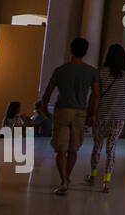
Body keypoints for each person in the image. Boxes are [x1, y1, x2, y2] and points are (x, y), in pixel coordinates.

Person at [40, 37, 99, 195]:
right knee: (73, 149)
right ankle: (68, 177)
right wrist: (92, 114)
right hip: (80, 112)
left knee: (61, 149)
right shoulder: (91, 72)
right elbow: (96, 94)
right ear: (85, 52)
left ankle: (63, 181)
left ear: (71, 49)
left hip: (62, 111)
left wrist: (45, 109)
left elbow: (47, 93)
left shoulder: (60, 70)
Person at [87, 44, 125, 193]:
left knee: (97, 146)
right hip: (118, 118)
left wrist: (91, 113)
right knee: (111, 149)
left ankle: (92, 176)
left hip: (101, 116)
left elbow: (96, 95)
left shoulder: (101, 72)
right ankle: (106, 181)